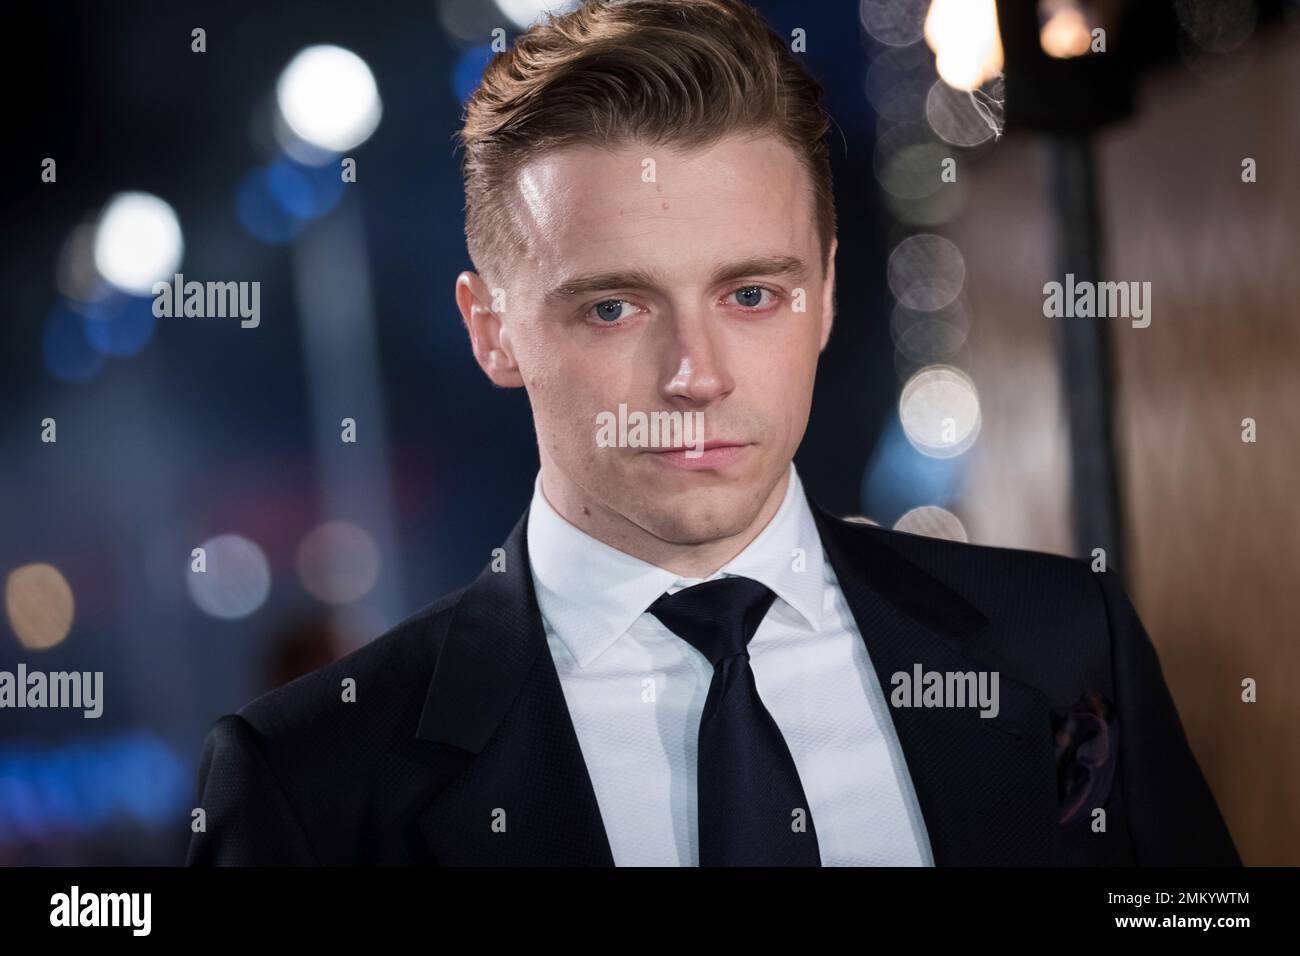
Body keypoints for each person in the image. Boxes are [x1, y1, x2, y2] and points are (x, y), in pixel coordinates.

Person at [187, 0, 1239, 866]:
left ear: (825, 293)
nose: (694, 375)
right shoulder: (311, 783)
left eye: (749, 293)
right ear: (491, 329)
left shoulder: (1061, 644)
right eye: (614, 307)